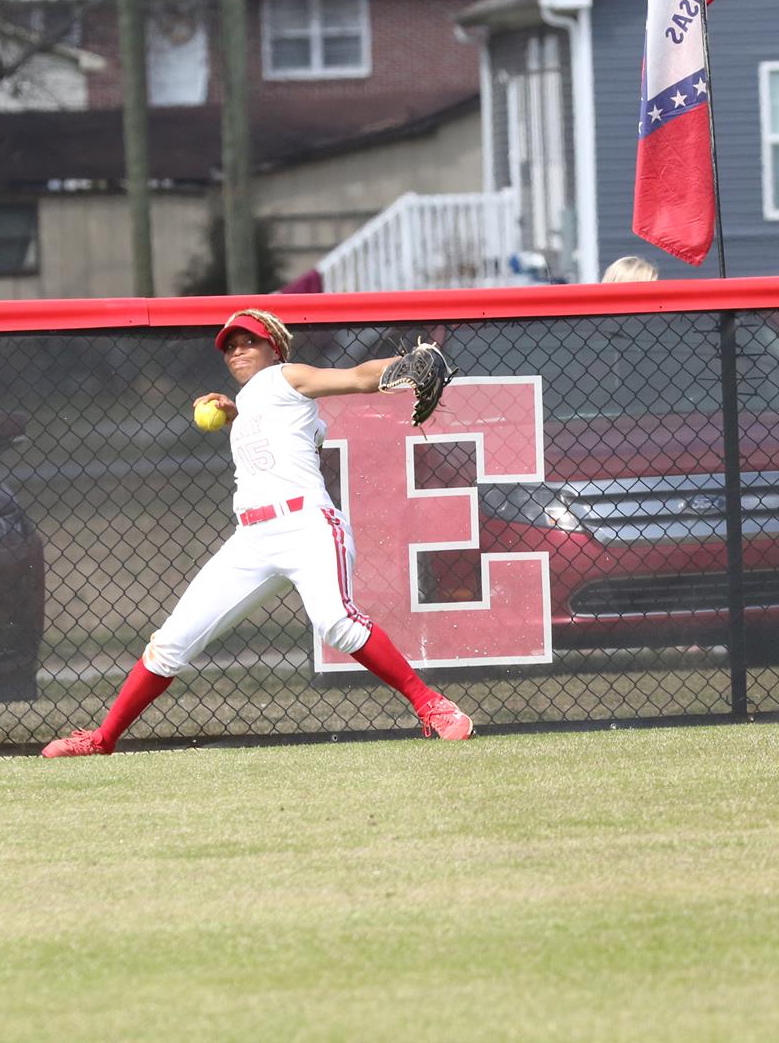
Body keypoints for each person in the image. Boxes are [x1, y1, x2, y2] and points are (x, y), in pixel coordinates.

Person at [42, 308, 475, 757]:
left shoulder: (284, 376)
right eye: (230, 346)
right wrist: (235, 412)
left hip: (305, 526)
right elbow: (286, 432)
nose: (238, 351)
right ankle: (102, 739)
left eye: (249, 341)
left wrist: (404, 368)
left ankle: (433, 706)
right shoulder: (257, 400)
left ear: (275, 349)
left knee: (337, 623)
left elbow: (356, 378)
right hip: (252, 538)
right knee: (170, 643)